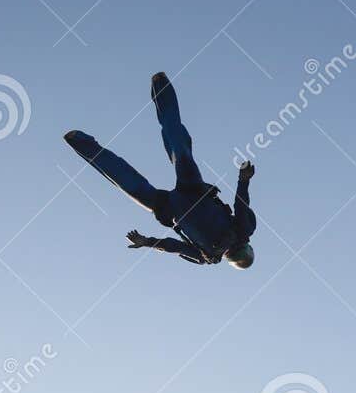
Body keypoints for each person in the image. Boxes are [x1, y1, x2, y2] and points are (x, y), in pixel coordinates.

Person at [64, 71, 256, 267]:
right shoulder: (210, 254)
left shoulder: (236, 236)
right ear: (231, 259)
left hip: (191, 193)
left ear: (247, 249)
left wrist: (244, 178)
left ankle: (160, 85)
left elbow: (241, 203)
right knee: (124, 179)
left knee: (177, 146)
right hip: (175, 206)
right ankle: (77, 141)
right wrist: (147, 242)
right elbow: (174, 246)